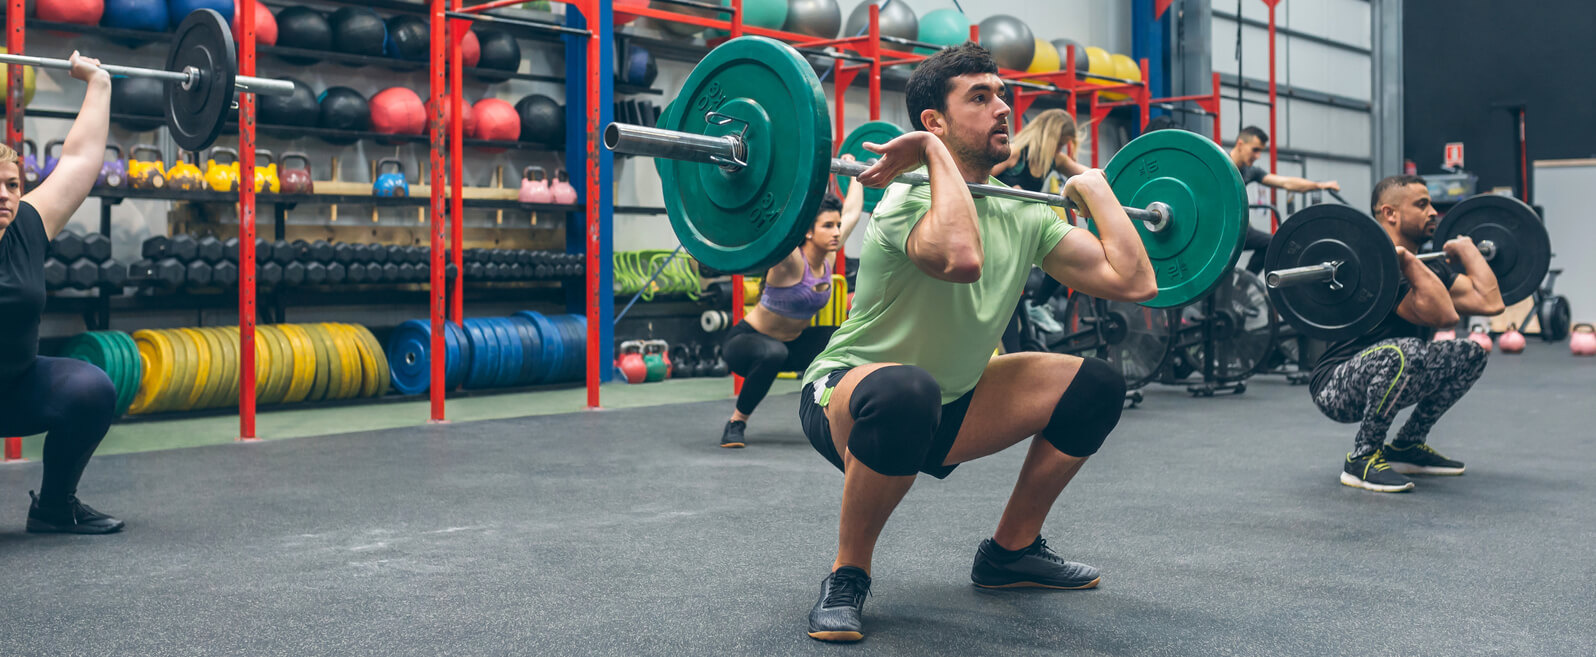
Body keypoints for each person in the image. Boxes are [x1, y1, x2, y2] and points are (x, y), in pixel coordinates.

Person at [797, 43, 1157, 642]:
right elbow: (961, 258)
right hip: (850, 393)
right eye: (980, 97)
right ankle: (848, 573)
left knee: (1095, 384)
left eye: (1003, 95)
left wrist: (1098, 192)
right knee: (908, 390)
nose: (1003, 109)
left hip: (953, 401)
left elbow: (1135, 281)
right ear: (932, 122)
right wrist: (934, 157)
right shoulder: (904, 201)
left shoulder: (1025, 212)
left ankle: (1010, 553)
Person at [1308, 175, 1504, 493]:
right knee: (1406, 351)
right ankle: (1362, 458)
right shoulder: (1373, 265)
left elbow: (1490, 302)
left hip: (1393, 376)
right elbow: (1444, 316)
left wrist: (1469, 251)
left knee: (1471, 353)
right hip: (1335, 386)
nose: (1433, 212)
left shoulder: (1421, 266)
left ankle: (1407, 446)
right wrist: (1408, 263)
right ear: (1390, 213)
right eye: (1421, 204)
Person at [0, 53, 124, 533]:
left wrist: (99, 81)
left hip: (16, 388)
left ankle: (54, 507)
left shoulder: (28, 226)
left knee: (92, 388)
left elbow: (78, 159)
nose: (5, 194)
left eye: (13, 185)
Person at [718, 159, 866, 448]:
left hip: (791, 346)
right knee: (772, 352)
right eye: (828, 226)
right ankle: (736, 422)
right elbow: (769, 220)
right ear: (808, 231)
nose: (836, 231)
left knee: (844, 339)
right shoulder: (790, 261)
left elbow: (852, 212)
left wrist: (857, 173)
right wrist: (748, 176)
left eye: (836, 226)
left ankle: (835, 413)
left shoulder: (829, 258)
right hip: (746, 344)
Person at [989, 109, 1088, 353]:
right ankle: (1013, 354)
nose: (1061, 150)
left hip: (1027, 228)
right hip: (1000, 230)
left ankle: (1036, 303)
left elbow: (1092, 176)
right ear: (1050, 137)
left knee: (1068, 258)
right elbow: (977, 180)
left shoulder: (1055, 160)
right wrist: (1012, 189)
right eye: (1060, 144)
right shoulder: (1015, 155)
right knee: (1008, 295)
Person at [1230, 126, 1340, 274]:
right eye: (1255, 150)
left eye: (1260, 151)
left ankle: (1242, 286)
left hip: (1237, 229)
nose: (1258, 156)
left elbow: (1285, 182)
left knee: (1272, 243)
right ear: (1240, 144)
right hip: (1217, 229)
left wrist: (1318, 185)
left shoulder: (1251, 171)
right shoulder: (1220, 164)